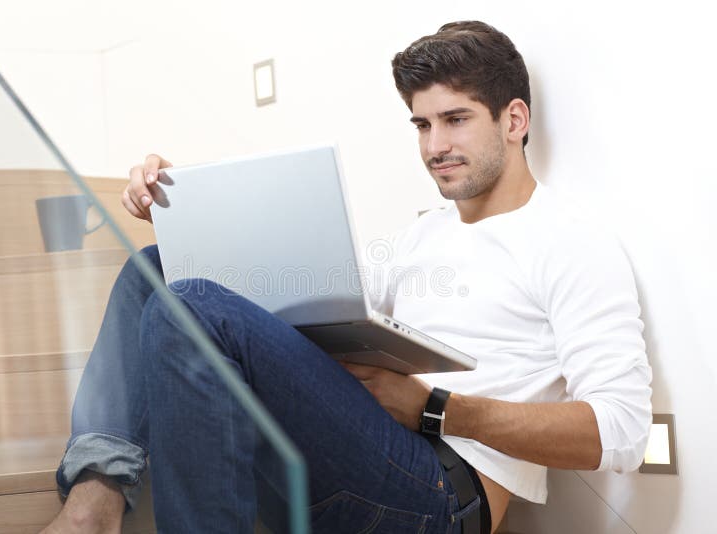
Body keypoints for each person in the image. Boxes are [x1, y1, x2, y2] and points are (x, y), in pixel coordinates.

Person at [42, 20, 652, 534]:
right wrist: (187, 216)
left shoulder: (572, 240)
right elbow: (295, 317)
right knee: (159, 271)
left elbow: (621, 432)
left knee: (197, 301)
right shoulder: (423, 236)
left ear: (513, 120)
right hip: (356, 451)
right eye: (421, 124)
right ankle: (96, 495)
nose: (435, 145)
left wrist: (434, 408)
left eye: (455, 119)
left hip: (443, 496)